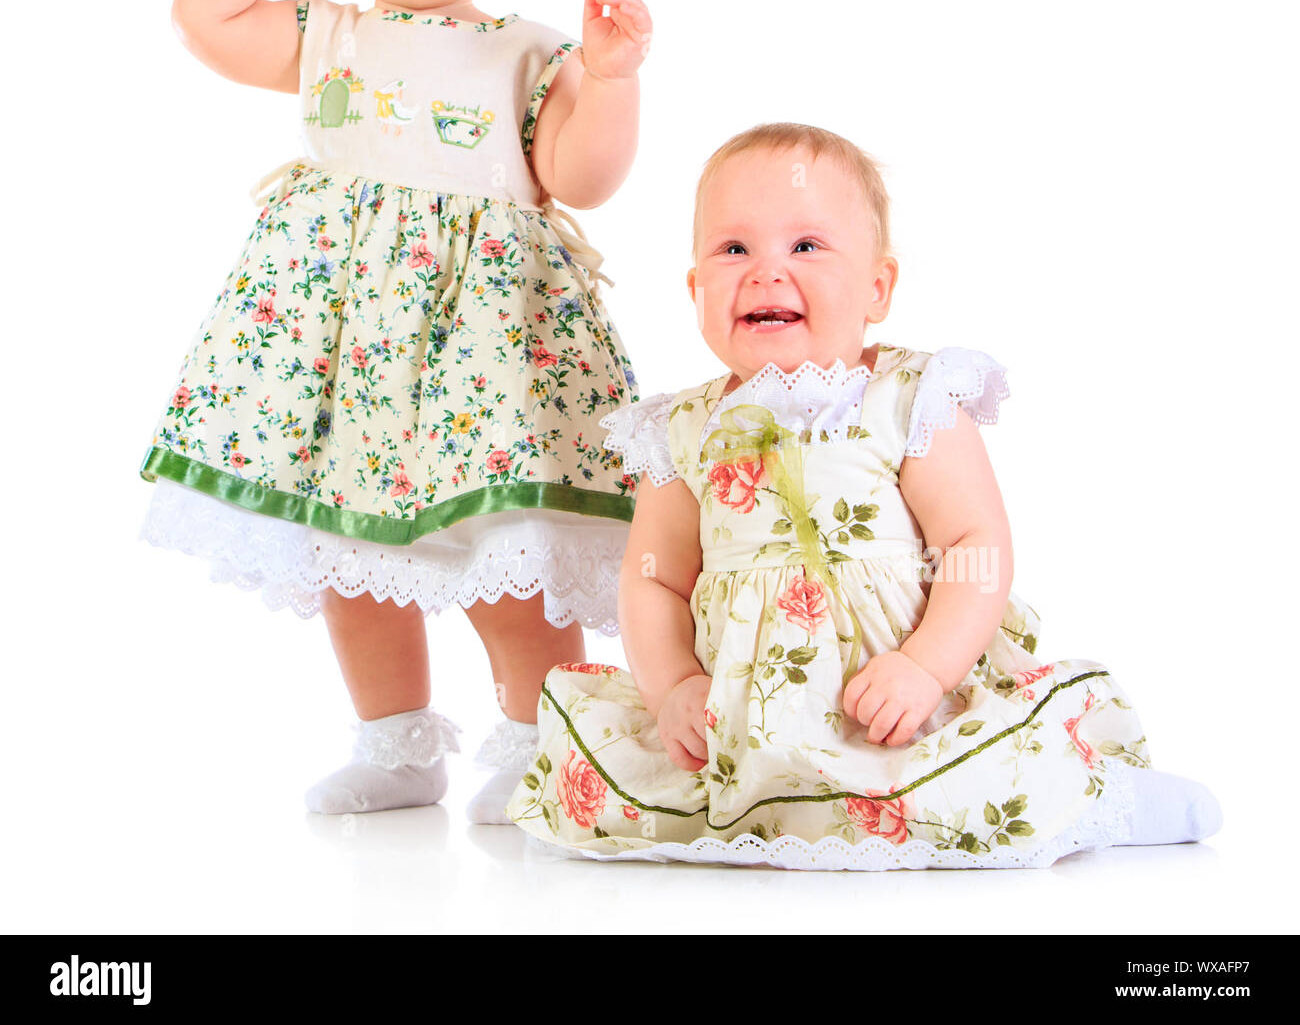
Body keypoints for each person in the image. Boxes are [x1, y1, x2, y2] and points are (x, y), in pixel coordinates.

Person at [139, 0, 652, 821]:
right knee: (355, 560)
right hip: (350, 356)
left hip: (490, 358)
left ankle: (536, 736)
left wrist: (611, 77)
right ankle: (397, 741)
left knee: (510, 556)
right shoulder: (327, 37)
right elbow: (202, 15)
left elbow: (581, 177)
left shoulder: (533, 54)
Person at [507, 122, 1221, 868]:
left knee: (966, 782)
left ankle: (1098, 798)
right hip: (747, 723)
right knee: (636, 789)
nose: (766, 272)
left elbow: (975, 547)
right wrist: (674, 684)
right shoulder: (681, 430)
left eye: (806, 246)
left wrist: (926, 667)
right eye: (733, 249)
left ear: (878, 287)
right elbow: (653, 579)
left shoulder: (907, 399)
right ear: (695, 288)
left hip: (902, 710)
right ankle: (782, 807)